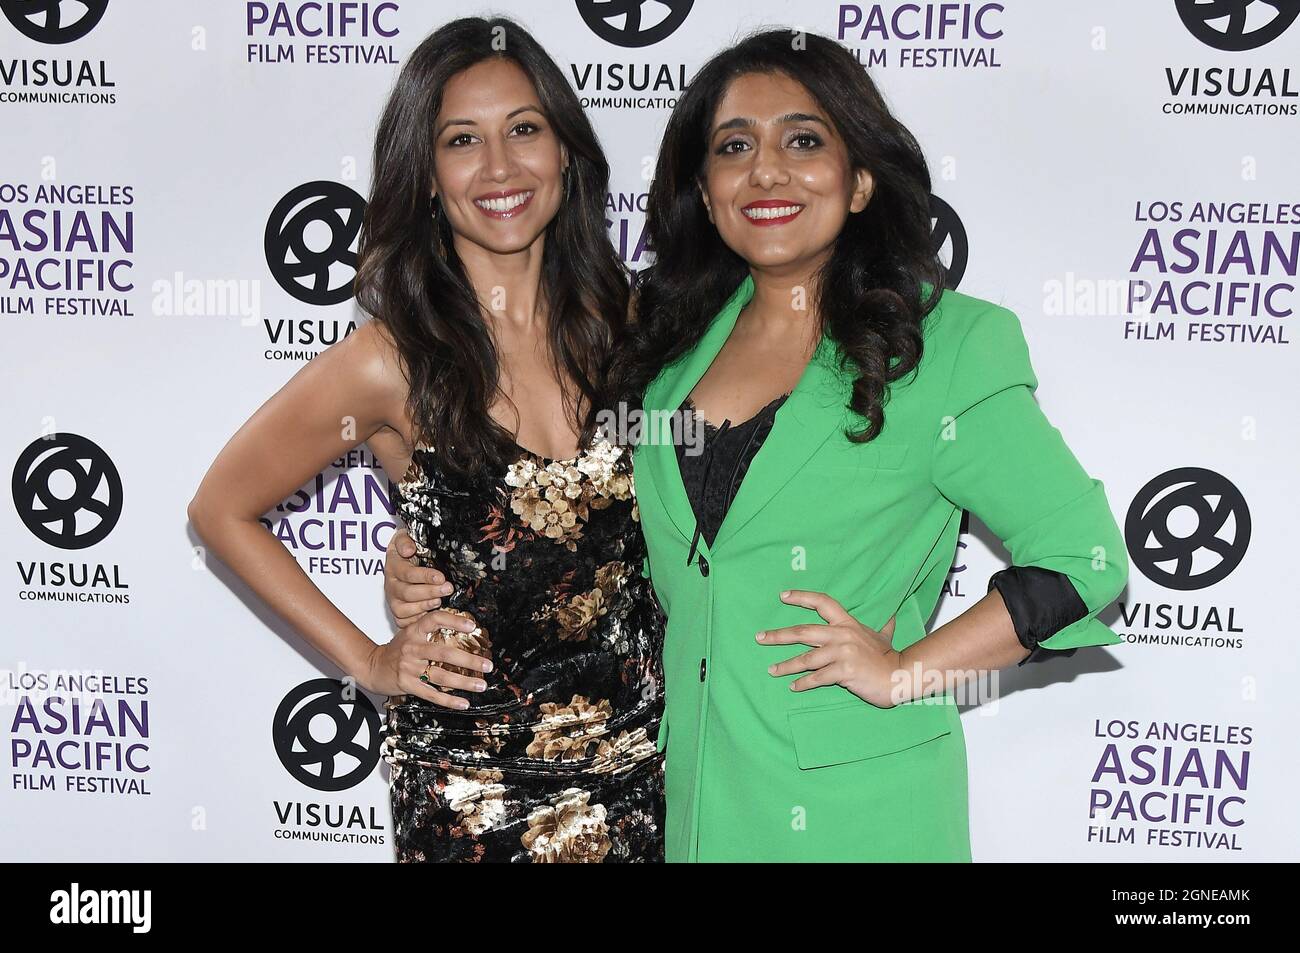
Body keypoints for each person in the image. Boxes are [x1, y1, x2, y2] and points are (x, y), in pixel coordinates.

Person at [387, 28, 1128, 862]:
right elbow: (583, 504)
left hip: (859, 814)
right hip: (688, 807)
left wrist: (905, 670)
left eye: (803, 141)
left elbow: (1085, 557)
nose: (766, 171)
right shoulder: (665, 342)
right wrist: (435, 543)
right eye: (734, 147)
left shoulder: (946, 347)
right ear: (704, 193)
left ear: (860, 182)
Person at [188, 17, 665, 864]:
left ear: (565, 150)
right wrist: (371, 659)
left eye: (524, 128)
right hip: (471, 800)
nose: (500, 167)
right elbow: (222, 508)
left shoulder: (636, 327)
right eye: (461, 141)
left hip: (643, 781)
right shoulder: (388, 363)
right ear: (428, 176)